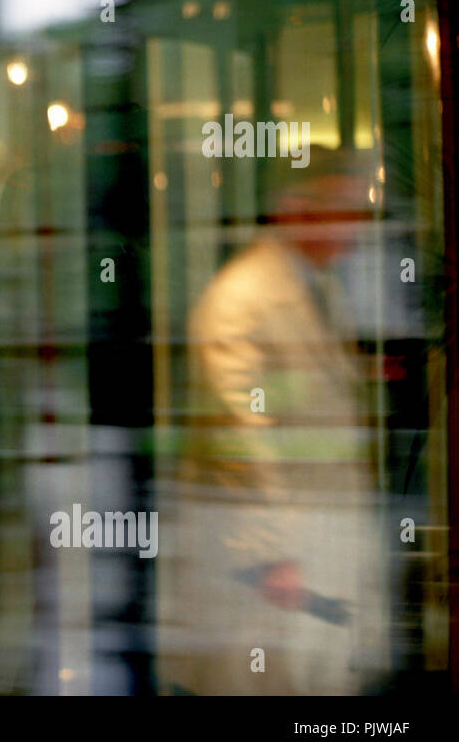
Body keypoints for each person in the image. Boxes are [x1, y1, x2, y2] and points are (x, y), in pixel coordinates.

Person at [157, 145, 389, 694]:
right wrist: (273, 557)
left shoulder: (320, 288)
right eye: (343, 209)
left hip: (320, 544)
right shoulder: (242, 302)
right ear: (294, 209)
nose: (355, 227)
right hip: (276, 566)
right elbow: (240, 435)